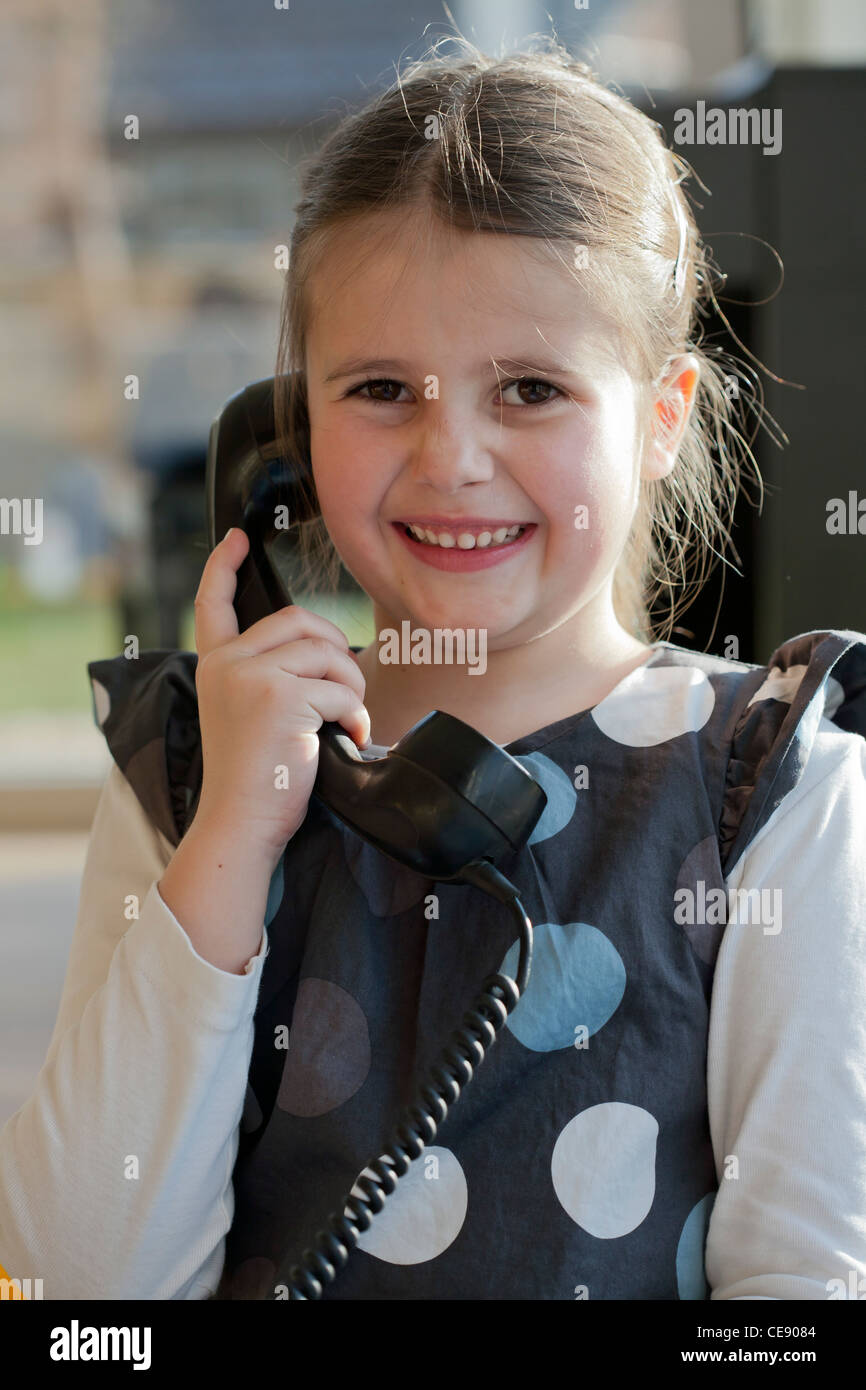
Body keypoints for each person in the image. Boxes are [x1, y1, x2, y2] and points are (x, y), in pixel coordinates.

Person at [2, 39, 865, 1302]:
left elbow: (804, 1290)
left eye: (527, 387)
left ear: (661, 419)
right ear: (286, 440)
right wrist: (238, 826)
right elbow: (85, 1292)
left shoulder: (771, 795)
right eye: (380, 388)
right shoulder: (197, 773)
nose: (450, 454)